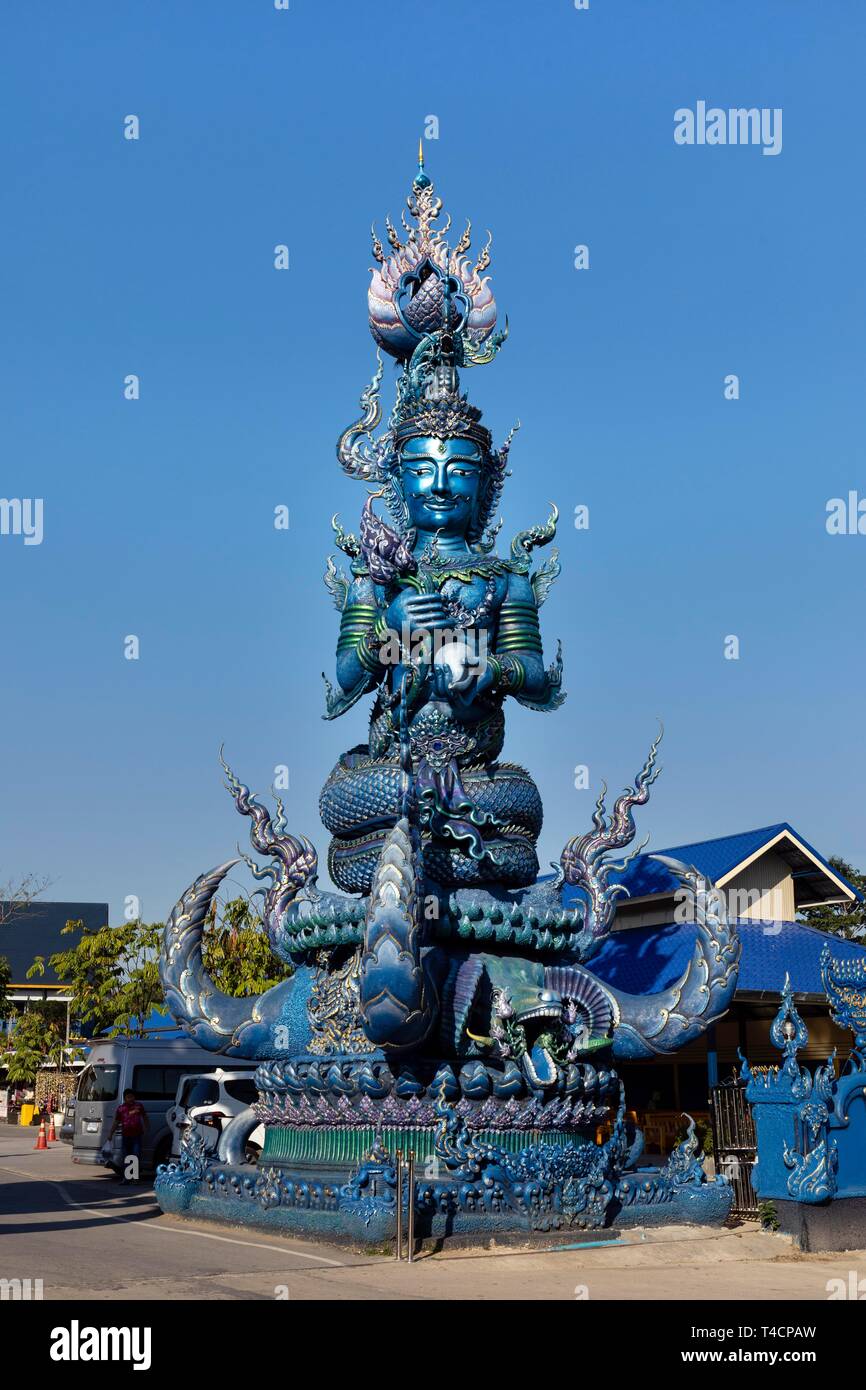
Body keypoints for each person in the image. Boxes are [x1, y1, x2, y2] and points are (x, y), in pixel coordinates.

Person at [108, 1088, 148, 1183]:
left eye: (132, 1097)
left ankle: (135, 1178)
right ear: (124, 1098)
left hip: (137, 1135)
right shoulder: (121, 1109)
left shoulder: (139, 1106)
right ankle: (126, 1178)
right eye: (128, 1097)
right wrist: (110, 1133)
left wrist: (146, 1128)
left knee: (135, 1156)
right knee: (126, 1157)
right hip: (126, 1135)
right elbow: (116, 1122)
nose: (130, 1099)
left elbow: (145, 1117)